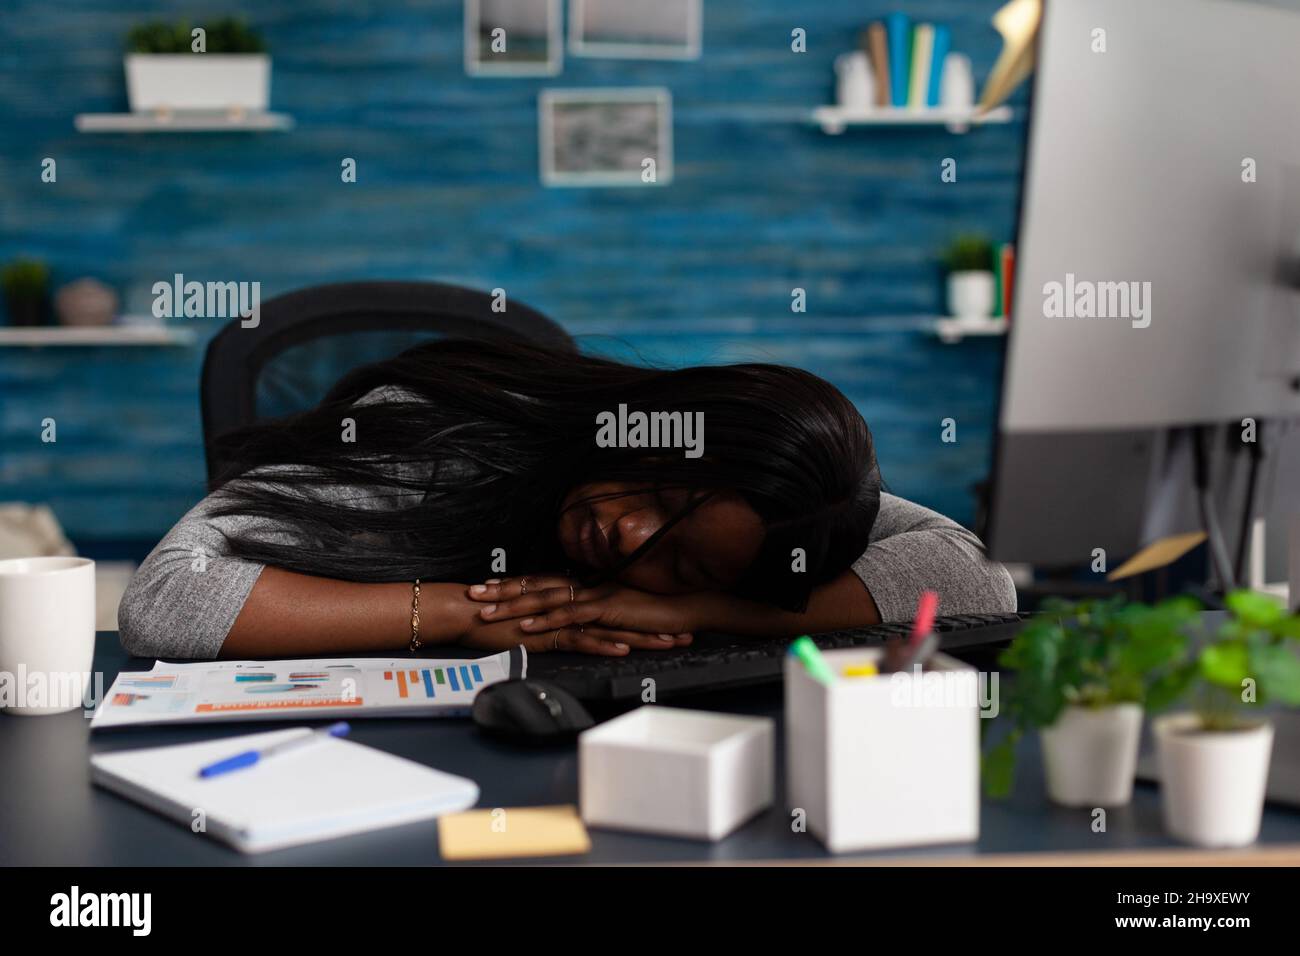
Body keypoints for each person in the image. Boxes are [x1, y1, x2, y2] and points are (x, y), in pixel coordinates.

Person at [118, 338, 1015, 659]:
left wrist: (708, 607)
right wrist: (461, 614)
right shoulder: (439, 438)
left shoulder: (785, 505)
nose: (627, 531)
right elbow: (163, 601)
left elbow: (974, 578)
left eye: (683, 558)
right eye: (659, 488)